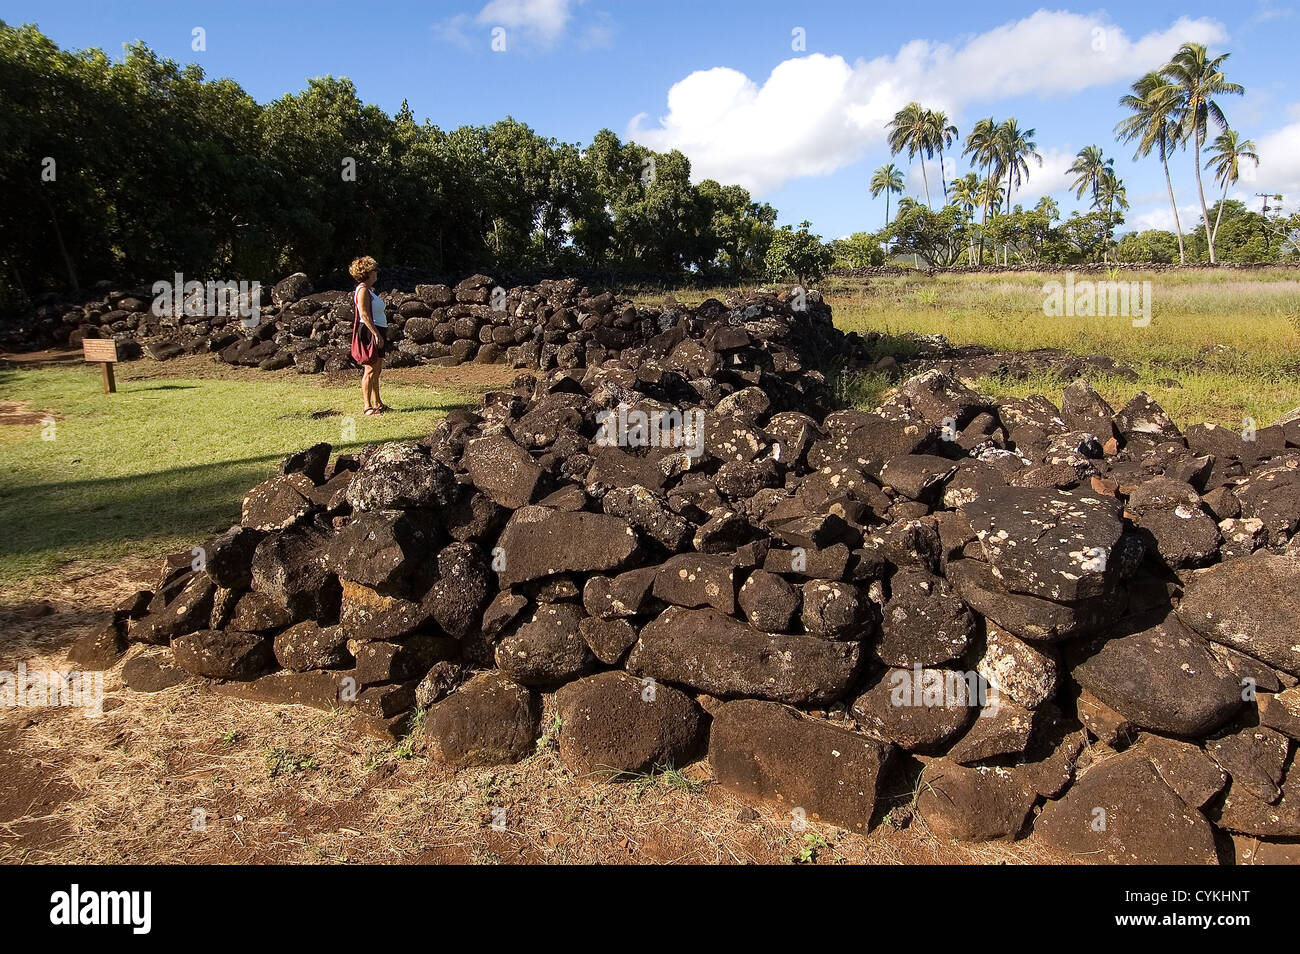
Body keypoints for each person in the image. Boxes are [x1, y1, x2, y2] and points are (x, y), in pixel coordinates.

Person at [349, 256, 388, 415]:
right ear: (367, 273)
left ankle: (378, 402)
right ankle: (367, 406)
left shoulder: (369, 290)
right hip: (369, 330)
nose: (376, 273)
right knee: (370, 369)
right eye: (374, 270)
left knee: (377, 369)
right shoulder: (363, 290)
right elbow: (364, 314)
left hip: (378, 328)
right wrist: (375, 334)